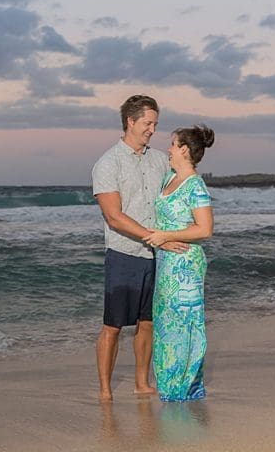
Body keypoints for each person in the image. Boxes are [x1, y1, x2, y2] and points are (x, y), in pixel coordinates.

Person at [92, 95, 188, 402]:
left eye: (155, 124)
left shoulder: (160, 160)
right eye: (147, 123)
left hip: (156, 254)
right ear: (130, 122)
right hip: (123, 254)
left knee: (148, 322)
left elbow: (180, 189)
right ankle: (105, 390)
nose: (152, 130)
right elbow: (114, 217)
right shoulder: (108, 163)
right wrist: (156, 237)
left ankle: (141, 382)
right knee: (113, 326)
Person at [143, 124, 214, 402]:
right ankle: (169, 387)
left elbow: (205, 229)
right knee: (165, 322)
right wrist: (161, 240)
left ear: (184, 149)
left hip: (186, 265)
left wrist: (166, 236)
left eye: (173, 144)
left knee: (185, 323)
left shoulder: (195, 185)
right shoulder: (169, 178)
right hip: (166, 262)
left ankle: (184, 387)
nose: (169, 149)